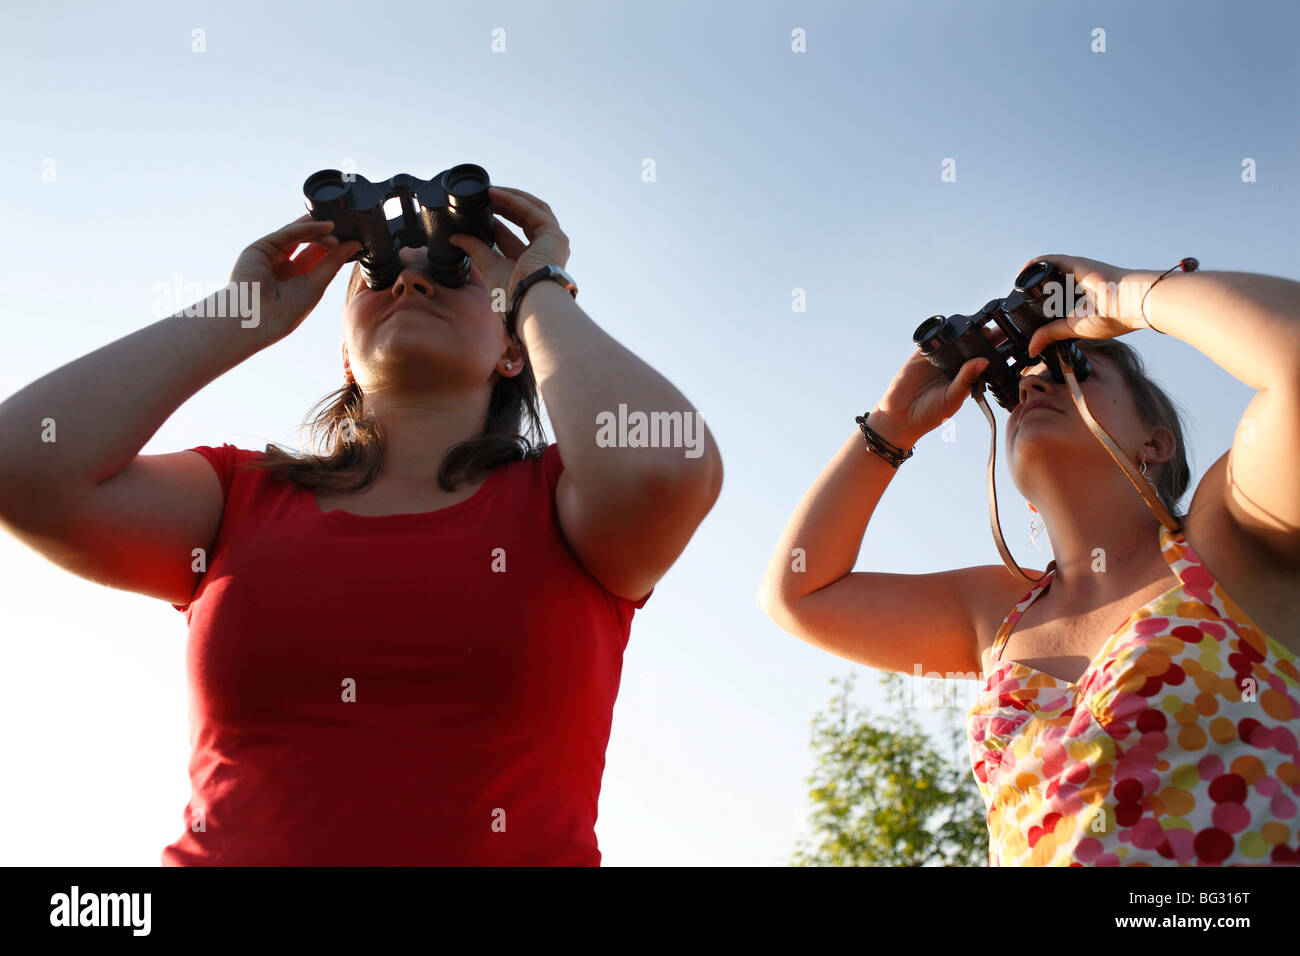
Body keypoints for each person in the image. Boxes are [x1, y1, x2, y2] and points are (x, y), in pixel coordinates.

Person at [0, 184, 722, 865]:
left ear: (513, 349)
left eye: (452, 271)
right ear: (345, 355)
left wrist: (537, 286)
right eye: (377, 276)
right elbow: (23, 464)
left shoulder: (564, 502)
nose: (409, 282)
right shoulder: (237, 497)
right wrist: (243, 312)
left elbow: (669, 466)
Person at [758, 255, 1300, 865]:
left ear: (1156, 441)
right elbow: (799, 593)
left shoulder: (1226, 539)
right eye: (1018, 386)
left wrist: (1124, 296)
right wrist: (889, 427)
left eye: (1073, 368)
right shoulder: (998, 612)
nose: (1034, 386)